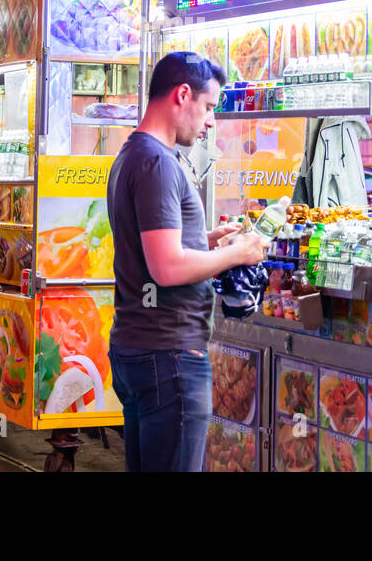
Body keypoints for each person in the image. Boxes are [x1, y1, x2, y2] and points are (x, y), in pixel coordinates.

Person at [106, 52, 267, 472]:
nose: (211, 121)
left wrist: (208, 241)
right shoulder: (158, 162)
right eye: (209, 107)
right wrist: (239, 252)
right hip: (169, 357)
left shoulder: (133, 154)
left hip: (141, 350)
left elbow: (154, 249)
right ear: (182, 95)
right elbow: (166, 268)